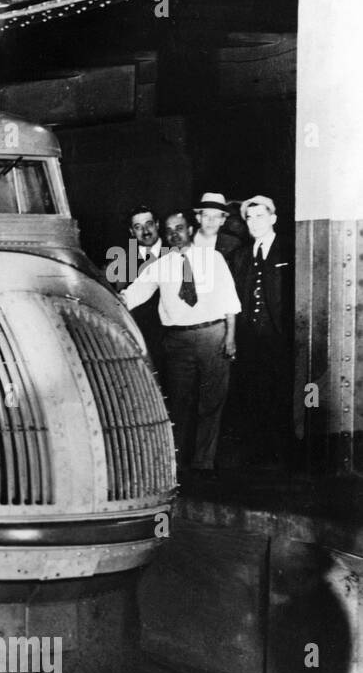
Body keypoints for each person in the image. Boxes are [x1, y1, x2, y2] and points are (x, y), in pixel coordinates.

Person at [120, 210, 242, 479]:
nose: (175, 234)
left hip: (213, 335)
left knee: (211, 403)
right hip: (177, 341)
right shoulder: (159, 265)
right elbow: (133, 295)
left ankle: (203, 464)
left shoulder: (213, 258)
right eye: (169, 230)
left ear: (189, 230)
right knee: (179, 402)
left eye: (180, 228)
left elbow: (230, 301)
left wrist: (230, 337)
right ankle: (176, 465)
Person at [230, 194, 295, 466]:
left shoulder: (288, 251)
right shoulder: (241, 256)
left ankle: (280, 455)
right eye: (249, 217)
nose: (254, 222)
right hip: (249, 341)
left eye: (260, 216)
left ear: (273, 218)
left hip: (279, 340)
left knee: (279, 396)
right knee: (252, 396)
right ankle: (257, 457)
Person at [119, 205, 165, 379]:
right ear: (131, 231)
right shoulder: (122, 260)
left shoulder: (175, 253)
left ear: (157, 225)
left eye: (149, 224)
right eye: (138, 227)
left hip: (169, 342)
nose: (145, 231)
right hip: (135, 341)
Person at [192, 191, 241, 261]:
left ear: (222, 220)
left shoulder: (232, 245)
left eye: (216, 216)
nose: (211, 220)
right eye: (206, 215)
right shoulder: (185, 240)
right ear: (198, 218)